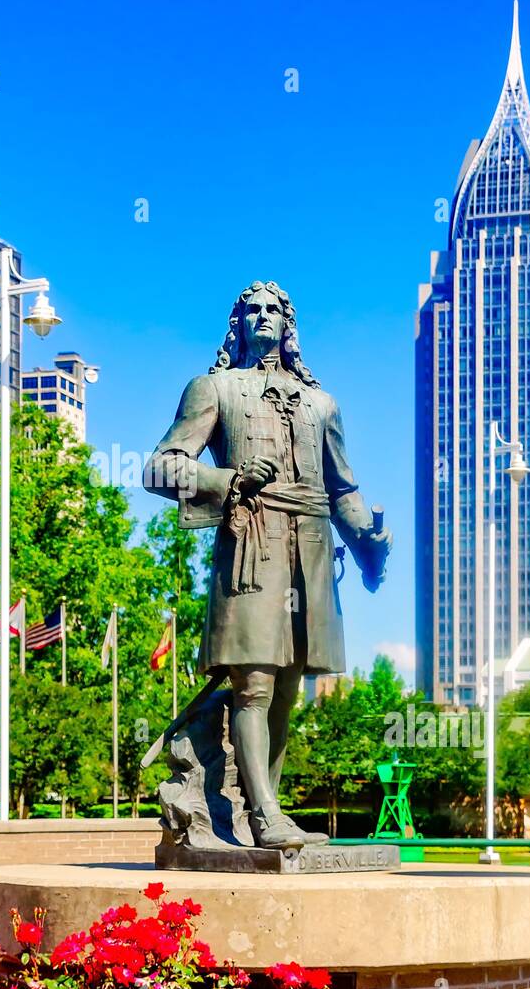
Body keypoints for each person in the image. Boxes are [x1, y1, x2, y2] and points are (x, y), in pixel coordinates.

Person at [144, 280, 392, 848]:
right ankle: (264, 816)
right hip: (250, 541)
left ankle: (266, 807)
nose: (262, 316)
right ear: (238, 324)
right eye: (250, 309)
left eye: (273, 309)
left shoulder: (322, 404)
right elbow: (159, 467)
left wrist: (369, 539)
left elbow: (342, 489)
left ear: (288, 324)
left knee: (286, 683)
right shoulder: (214, 388)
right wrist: (226, 479)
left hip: (310, 545)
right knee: (253, 681)